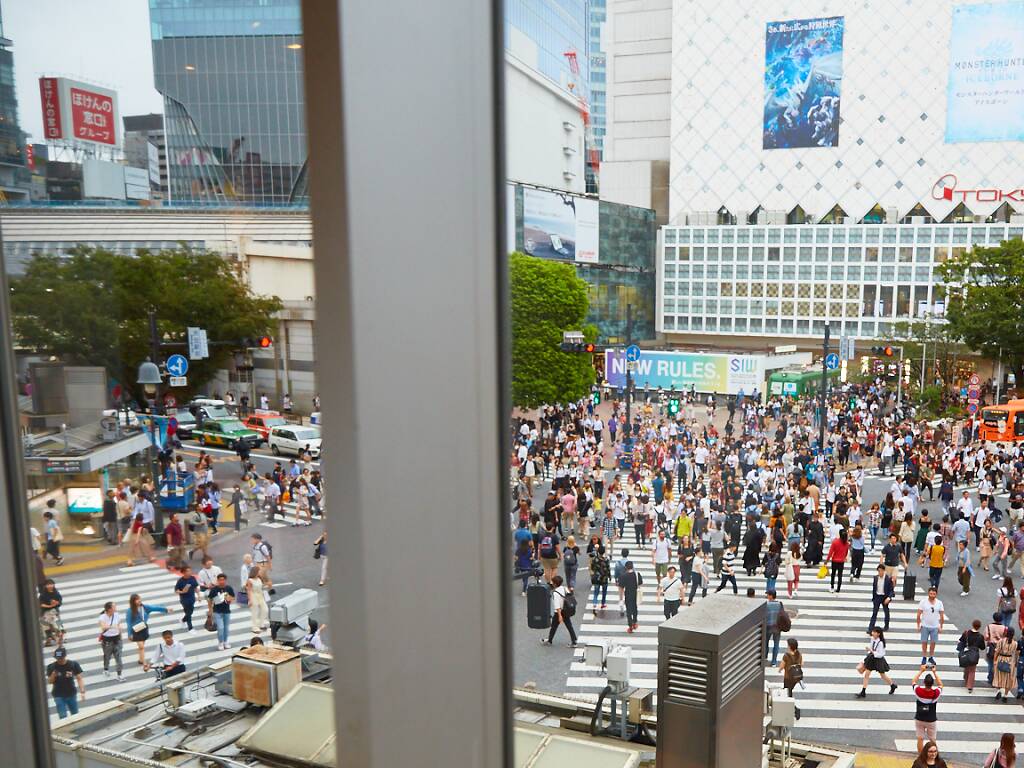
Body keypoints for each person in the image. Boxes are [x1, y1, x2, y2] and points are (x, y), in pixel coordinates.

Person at [127, 593, 170, 666]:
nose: (139, 600)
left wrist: (165, 609)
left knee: (141, 647)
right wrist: (129, 634)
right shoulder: (130, 610)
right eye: (136, 599)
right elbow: (129, 623)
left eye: (139, 598)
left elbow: (155, 608)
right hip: (135, 630)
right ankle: (144, 662)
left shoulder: (144, 607)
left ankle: (141, 659)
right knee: (141, 646)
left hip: (143, 628)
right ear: (133, 602)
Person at [856, 626, 897, 697]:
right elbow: (871, 648)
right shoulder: (872, 639)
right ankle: (863, 691)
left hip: (878, 660)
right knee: (866, 675)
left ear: (878, 634)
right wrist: (869, 651)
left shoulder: (881, 643)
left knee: (883, 675)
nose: (872, 633)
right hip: (872, 658)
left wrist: (871, 651)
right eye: (872, 632)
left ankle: (892, 685)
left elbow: (881, 654)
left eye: (874, 632)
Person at [911, 666, 943, 754]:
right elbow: (941, 685)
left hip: (919, 718)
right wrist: (934, 672)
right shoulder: (936, 693)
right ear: (932, 683)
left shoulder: (918, 691)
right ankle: (934, 756)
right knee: (932, 740)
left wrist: (921, 671)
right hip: (931, 719)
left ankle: (921, 756)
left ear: (924, 682)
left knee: (920, 739)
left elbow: (913, 681)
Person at [47, 647, 85, 719]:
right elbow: (49, 682)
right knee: (63, 716)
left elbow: (79, 678)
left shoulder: (73, 664)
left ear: (65, 656)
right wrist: (53, 675)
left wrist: (82, 691)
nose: (59, 660)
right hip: (58, 694)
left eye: (61, 658)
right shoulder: (51, 667)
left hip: (71, 693)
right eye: (57, 658)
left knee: (75, 715)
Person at [539, 574, 578, 647]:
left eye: (552, 582)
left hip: (559, 612)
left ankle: (549, 641)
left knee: (554, 626)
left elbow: (557, 606)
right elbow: (569, 595)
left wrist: (560, 616)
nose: (551, 583)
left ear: (555, 584)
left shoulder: (556, 593)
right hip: (566, 610)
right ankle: (574, 640)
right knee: (569, 626)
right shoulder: (564, 588)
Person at [916, 586, 944, 667]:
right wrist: (918, 625)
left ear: (936, 594)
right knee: (924, 642)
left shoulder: (939, 603)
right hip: (925, 625)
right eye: (931, 593)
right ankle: (924, 656)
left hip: (935, 626)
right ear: (928, 593)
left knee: (933, 643)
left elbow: (941, 615)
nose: (932, 595)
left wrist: (941, 626)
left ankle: (931, 657)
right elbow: (919, 614)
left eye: (934, 594)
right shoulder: (923, 602)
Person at [207, 573, 236, 650]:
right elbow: (209, 599)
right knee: (220, 627)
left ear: (225, 580)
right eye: (220, 580)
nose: (221, 581)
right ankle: (220, 642)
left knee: (226, 628)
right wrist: (210, 609)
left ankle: (225, 641)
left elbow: (233, 597)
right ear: (217, 580)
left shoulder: (229, 588)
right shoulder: (214, 589)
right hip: (217, 611)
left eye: (223, 580)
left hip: (227, 611)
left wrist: (229, 598)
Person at [97, 601, 125, 681]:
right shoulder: (102, 617)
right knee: (107, 656)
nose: (116, 608)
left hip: (117, 639)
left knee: (118, 658)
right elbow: (103, 627)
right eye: (114, 607)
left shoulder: (117, 615)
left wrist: (121, 638)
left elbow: (119, 626)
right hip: (107, 641)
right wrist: (113, 626)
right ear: (109, 609)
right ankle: (106, 669)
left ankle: (119, 674)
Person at [957, 619, 986, 693]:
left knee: (966, 666)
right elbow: (982, 647)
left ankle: (966, 679)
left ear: (972, 625)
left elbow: (961, 641)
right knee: (972, 670)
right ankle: (970, 686)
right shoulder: (980, 636)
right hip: (974, 653)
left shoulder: (966, 633)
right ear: (979, 627)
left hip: (966, 652)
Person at [993, 627, 1020, 701]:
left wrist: (994, 660)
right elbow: (1016, 654)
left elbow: (996, 652)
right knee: (1009, 679)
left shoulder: (1001, 641)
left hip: (1001, 659)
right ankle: (1005, 695)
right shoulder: (1015, 643)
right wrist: (1016, 662)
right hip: (1010, 661)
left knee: (999, 677)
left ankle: (999, 690)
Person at [39, 578, 65, 647]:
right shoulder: (43, 595)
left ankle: (58, 634)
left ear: (53, 585)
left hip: (54, 611)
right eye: (48, 584)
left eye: (51, 584)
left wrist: (56, 603)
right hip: (46, 611)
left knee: (55, 621)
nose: (50, 586)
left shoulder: (56, 593)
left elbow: (60, 602)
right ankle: (54, 635)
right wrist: (50, 605)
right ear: (45, 586)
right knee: (47, 623)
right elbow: (41, 604)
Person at [175, 565, 199, 634]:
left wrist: (199, 595)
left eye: (190, 571)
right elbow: (176, 590)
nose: (190, 572)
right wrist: (182, 592)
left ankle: (183, 620)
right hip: (184, 599)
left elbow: (195, 587)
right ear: (183, 572)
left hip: (192, 598)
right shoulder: (180, 581)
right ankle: (190, 628)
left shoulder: (192, 578)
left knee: (190, 612)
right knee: (188, 613)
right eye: (188, 571)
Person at [246, 565, 270, 634]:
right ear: (256, 572)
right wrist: (250, 600)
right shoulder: (250, 580)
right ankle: (254, 627)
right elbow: (249, 590)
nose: (260, 572)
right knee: (255, 612)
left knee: (265, 609)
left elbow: (261, 587)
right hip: (253, 596)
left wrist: (267, 585)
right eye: (259, 571)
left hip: (260, 596)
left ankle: (261, 624)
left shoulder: (259, 579)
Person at [826, 527, 850, 593]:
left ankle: (832, 587)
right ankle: (838, 588)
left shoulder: (835, 542)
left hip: (834, 560)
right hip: (841, 561)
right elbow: (846, 552)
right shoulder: (846, 543)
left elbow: (830, 553)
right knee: (840, 575)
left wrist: (826, 561)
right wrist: (844, 557)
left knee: (833, 574)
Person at [621, 561, 643, 632]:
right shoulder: (637, 574)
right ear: (632, 566)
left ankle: (630, 626)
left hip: (628, 594)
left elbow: (622, 587)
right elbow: (640, 583)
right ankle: (635, 622)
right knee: (635, 608)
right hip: (635, 593)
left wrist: (621, 598)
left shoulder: (624, 576)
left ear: (626, 567)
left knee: (629, 610)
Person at [589, 544, 610, 610]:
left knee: (596, 592)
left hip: (597, 577)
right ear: (604, 552)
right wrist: (609, 576)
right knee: (604, 592)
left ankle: (594, 604)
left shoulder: (595, 559)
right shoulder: (606, 560)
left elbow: (592, 567)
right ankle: (603, 604)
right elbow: (608, 569)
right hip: (604, 578)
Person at [764, 589, 783, 666]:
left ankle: (765, 656)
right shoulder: (780, 604)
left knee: (766, 642)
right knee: (776, 644)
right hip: (777, 627)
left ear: (771, 596)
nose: (767, 596)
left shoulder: (766, 604)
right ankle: (774, 662)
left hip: (768, 626)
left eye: (768, 594)